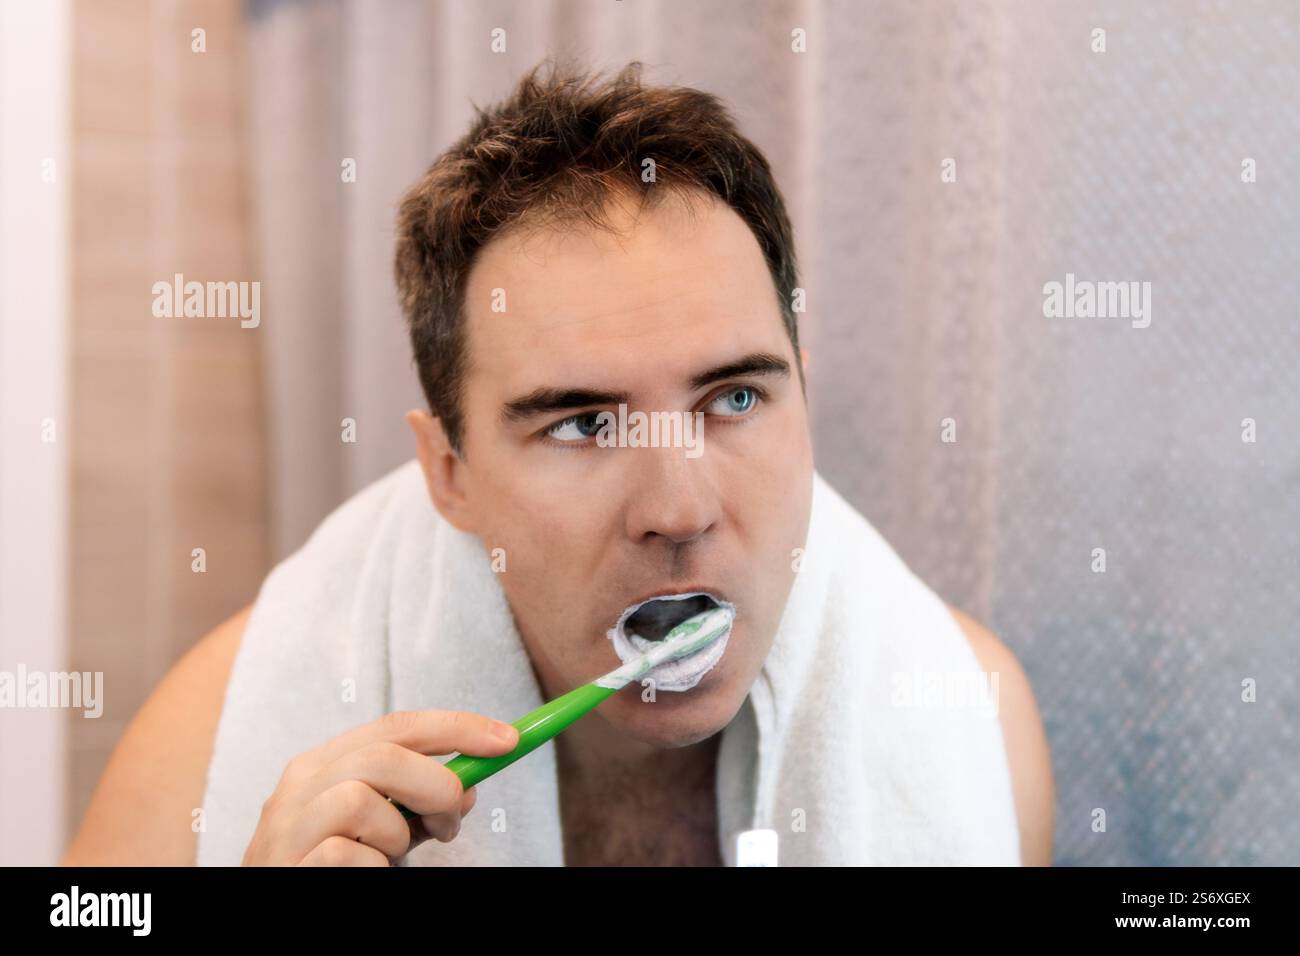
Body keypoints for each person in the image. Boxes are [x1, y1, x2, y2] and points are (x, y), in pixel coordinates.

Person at [64, 61, 1053, 867]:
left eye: (735, 398)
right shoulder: (206, 749)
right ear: (448, 471)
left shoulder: (970, 723)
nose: (677, 509)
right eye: (582, 424)